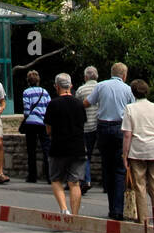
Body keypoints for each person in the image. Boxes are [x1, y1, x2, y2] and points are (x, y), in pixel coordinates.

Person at [87, 62, 135, 220]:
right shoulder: (128, 89)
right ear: (124, 75)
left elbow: (88, 102)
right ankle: (118, 209)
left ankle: (111, 207)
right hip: (120, 128)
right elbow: (133, 109)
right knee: (120, 169)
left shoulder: (101, 86)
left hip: (103, 127)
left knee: (107, 167)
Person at [122, 80, 154, 225]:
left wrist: (125, 155)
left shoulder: (130, 108)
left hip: (138, 150)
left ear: (133, 92)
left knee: (140, 185)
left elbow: (127, 134)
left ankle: (143, 220)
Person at [44, 73, 88, 217]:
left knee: (56, 179)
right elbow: (82, 124)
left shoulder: (53, 104)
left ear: (57, 87)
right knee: (74, 182)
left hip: (59, 147)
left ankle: (64, 209)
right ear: (71, 86)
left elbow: (48, 129)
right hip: (78, 147)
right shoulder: (79, 104)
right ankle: (75, 215)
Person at [22, 71, 51, 184]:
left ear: (28, 81)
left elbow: (26, 110)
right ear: (38, 80)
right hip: (43, 123)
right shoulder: (45, 92)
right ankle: (49, 175)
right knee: (46, 149)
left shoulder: (26, 92)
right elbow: (49, 107)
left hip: (31, 123)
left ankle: (32, 176)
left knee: (31, 150)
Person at [74, 67, 99, 194]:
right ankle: (107, 184)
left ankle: (86, 180)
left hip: (86, 126)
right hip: (99, 125)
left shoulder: (81, 90)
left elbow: (77, 108)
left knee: (85, 155)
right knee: (106, 155)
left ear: (85, 77)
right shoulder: (102, 87)